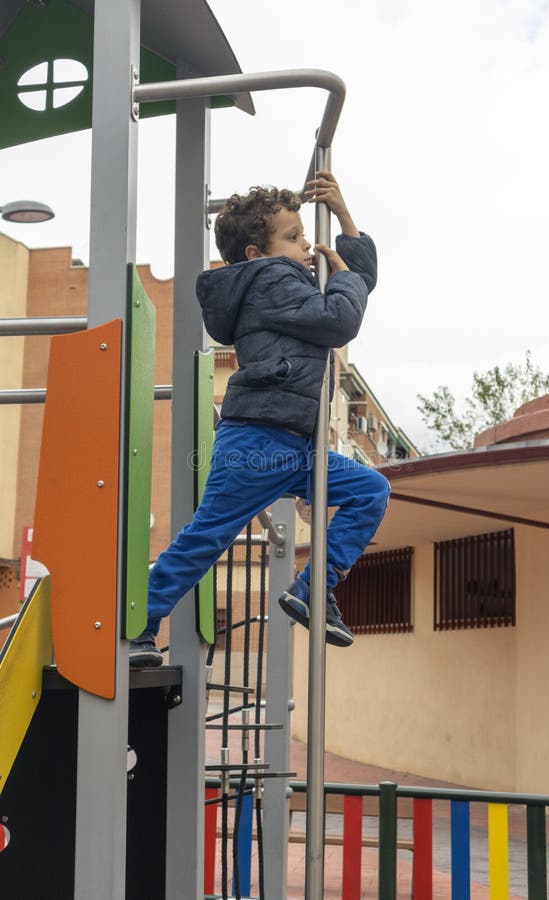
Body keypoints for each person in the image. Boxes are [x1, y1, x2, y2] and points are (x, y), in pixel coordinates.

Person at [129, 172, 390, 667]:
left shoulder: (285, 280)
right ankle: (136, 623)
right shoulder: (270, 281)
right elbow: (340, 318)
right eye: (293, 237)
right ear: (256, 253)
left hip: (294, 444)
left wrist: (343, 216)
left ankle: (313, 589)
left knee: (370, 490)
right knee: (207, 536)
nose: (307, 245)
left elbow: (357, 283)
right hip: (259, 440)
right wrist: (346, 277)